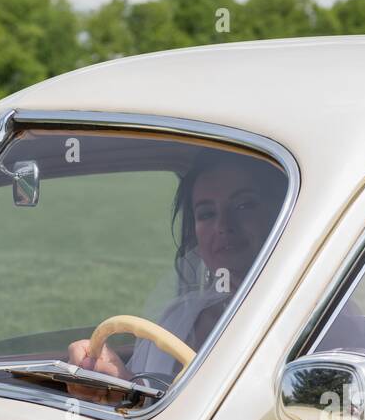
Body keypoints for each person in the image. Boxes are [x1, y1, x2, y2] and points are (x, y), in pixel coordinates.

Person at [65, 148, 286, 399]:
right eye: (206, 213)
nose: (223, 226)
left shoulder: (309, 321)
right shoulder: (175, 318)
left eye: (244, 205)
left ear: (280, 214)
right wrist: (113, 378)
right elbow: (139, 407)